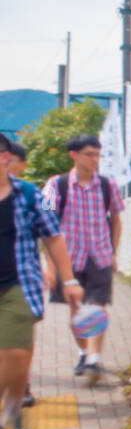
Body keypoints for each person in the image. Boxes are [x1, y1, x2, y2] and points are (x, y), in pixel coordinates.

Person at [0, 134, 84, 429]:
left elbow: (54, 236)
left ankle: (11, 403)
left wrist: (68, 279)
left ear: (5, 158)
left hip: (18, 284)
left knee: (16, 353)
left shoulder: (33, 195)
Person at [40, 134, 124, 385]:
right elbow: (45, 225)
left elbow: (117, 220)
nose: (95, 160)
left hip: (99, 256)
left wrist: (113, 252)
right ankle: (83, 352)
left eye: (98, 155)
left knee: (97, 308)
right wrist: (50, 264)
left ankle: (93, 359)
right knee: (78, 312)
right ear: (74, 155)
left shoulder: (108, 185)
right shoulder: (56, 185)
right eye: (89, 154)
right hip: (70, 260)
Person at [5, 141, 37, 408]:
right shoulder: (56, 186)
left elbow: (51, 229)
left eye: (13, 160)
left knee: (18, 342)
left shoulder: (33, 193)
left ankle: (20, 387)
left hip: (21, 281)